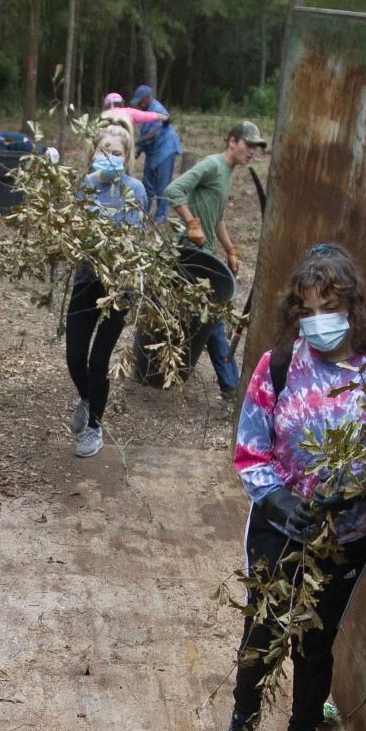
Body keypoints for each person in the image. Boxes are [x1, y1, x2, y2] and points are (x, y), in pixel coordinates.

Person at [218, 243, 366, 731]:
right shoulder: (279, 365)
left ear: (353, 303)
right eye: (308, 309)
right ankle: (244, 718)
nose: (320, 321)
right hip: (279, 528)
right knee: (264, 625)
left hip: (346, 535)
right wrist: (276, 498)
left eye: (330, 306)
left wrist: (357, 488)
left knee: (315, 640)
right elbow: (251, 450)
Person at [162, 120, 267, 400]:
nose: (252, 152)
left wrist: (230, 248)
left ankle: (175, 372)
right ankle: (230, 387)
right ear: (232, 141)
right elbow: (173, 190)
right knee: (213, 317)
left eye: (255, 147)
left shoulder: (228, 172)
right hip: (190, 254)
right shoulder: (212, 165)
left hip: (205, 254)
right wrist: (191, 223)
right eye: (248, 144)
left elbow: (217, 217)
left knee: (204, 318)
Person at [64, 125, 149, 459]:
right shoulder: (85, 186)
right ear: (93, 153)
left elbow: (131, 237)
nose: (110, 158)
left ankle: (94, 427)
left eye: (117, 153)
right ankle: (86, 397)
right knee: (74, 356)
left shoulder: (135, 189)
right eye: (104, 151)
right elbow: (71, 230)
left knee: (99, 360)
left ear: (126, 158)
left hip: (119, 287)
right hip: (86, 282)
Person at [131, 84, 179, 221]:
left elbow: (153, 134)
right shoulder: (146, 112)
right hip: (152, 151)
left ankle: (160, 216)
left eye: (140, 101)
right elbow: (145, 135)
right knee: (147, 182)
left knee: (163, 185)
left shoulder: (158, 110)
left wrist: (137, 145)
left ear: (146, 98)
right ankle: (142, 214)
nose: (139, 104)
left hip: (165, 150)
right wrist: (136, 152)